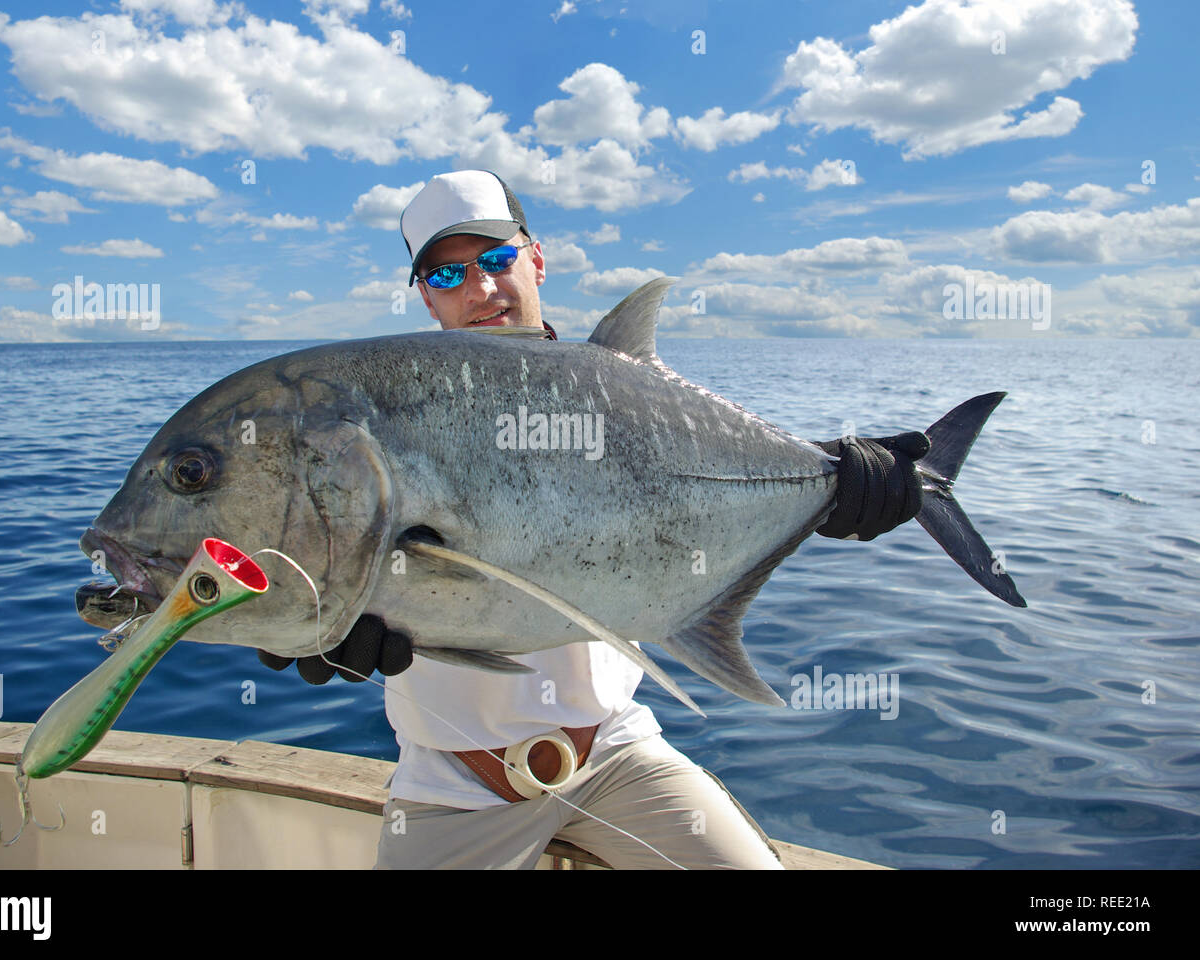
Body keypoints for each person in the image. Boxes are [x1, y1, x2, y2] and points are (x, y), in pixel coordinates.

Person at [259, 169, 928, 869]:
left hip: (618, 753)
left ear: (536, 258)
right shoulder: (397, 413)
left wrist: (834, 483)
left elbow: (718, 476)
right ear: (426, 296)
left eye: (495, 260)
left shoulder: (620, 393)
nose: (481, 289)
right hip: (453, 785)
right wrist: (308, 612)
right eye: (447, 274)